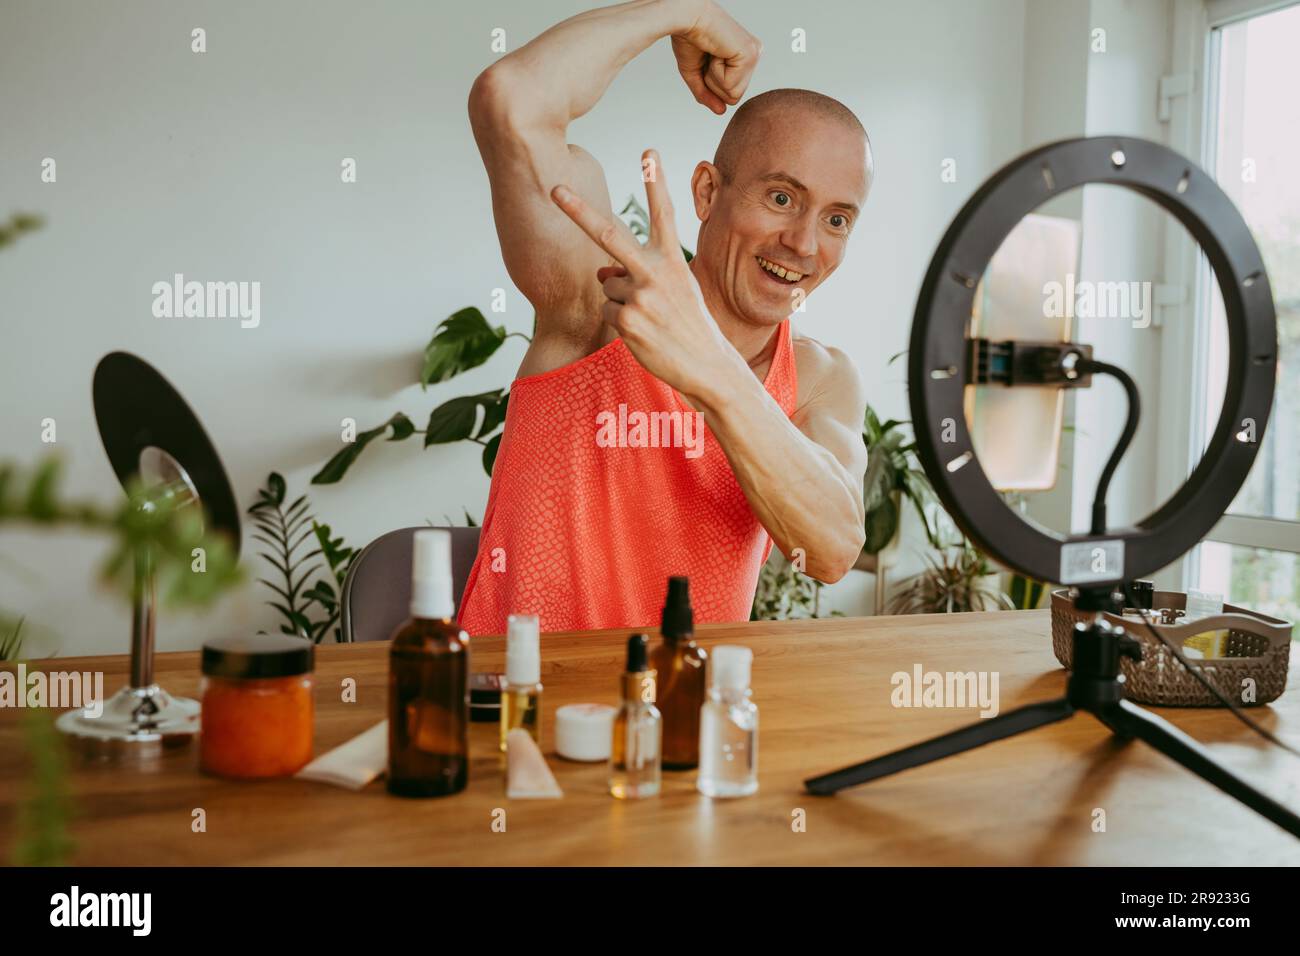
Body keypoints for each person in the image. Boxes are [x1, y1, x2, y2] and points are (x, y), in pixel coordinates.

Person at [459, 0, 871, 634]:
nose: (804, 244)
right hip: (514, 709)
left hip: (677, 716)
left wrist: (710, 367)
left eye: (836, 218)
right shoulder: (597, 298)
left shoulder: (818, 377)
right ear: (707, 192)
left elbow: (832, 548)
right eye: (782, 197)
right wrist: (685, 13)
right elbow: (511, 99)